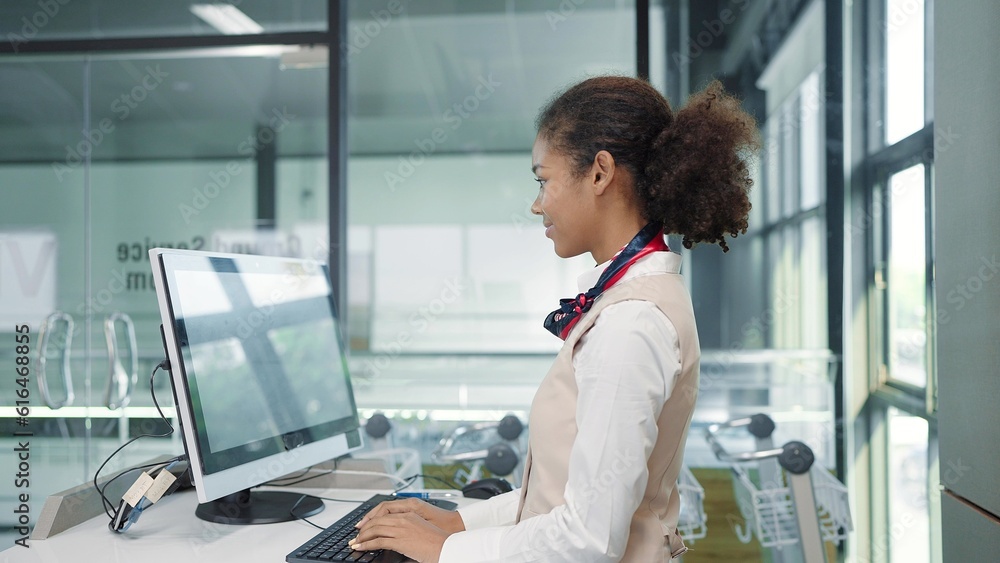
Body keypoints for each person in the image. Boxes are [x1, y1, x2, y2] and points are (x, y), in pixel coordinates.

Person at [350, 76, 759, 562]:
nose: (536, 202)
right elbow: (571, 497)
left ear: (600, 172)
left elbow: (586, 538)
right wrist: (460, 522)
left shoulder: (631, 325)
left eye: (543, 180)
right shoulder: (634, 299)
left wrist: (445, 550)